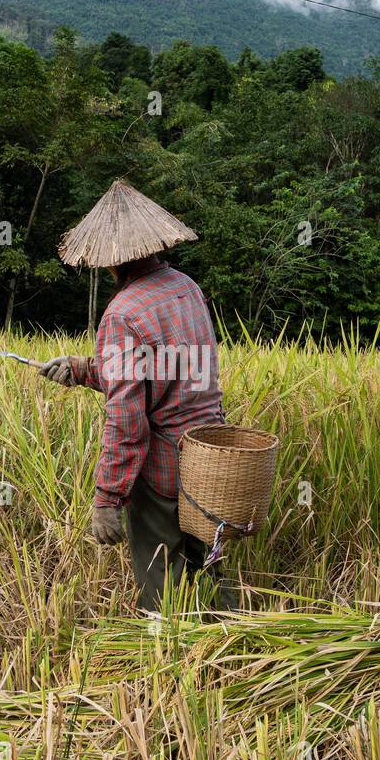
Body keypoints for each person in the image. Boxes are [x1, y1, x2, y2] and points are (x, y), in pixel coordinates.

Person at [39, 180, 229, 612]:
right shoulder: (186, 288)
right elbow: (172, 371)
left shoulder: (122, 313)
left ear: (111, 261)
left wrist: (109, 498)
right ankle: (232, 646)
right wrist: (84, 369)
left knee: (161, 581)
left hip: (164, 472)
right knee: (209, 566)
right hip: (209, 459)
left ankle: (166, 664)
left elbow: (127, 419)